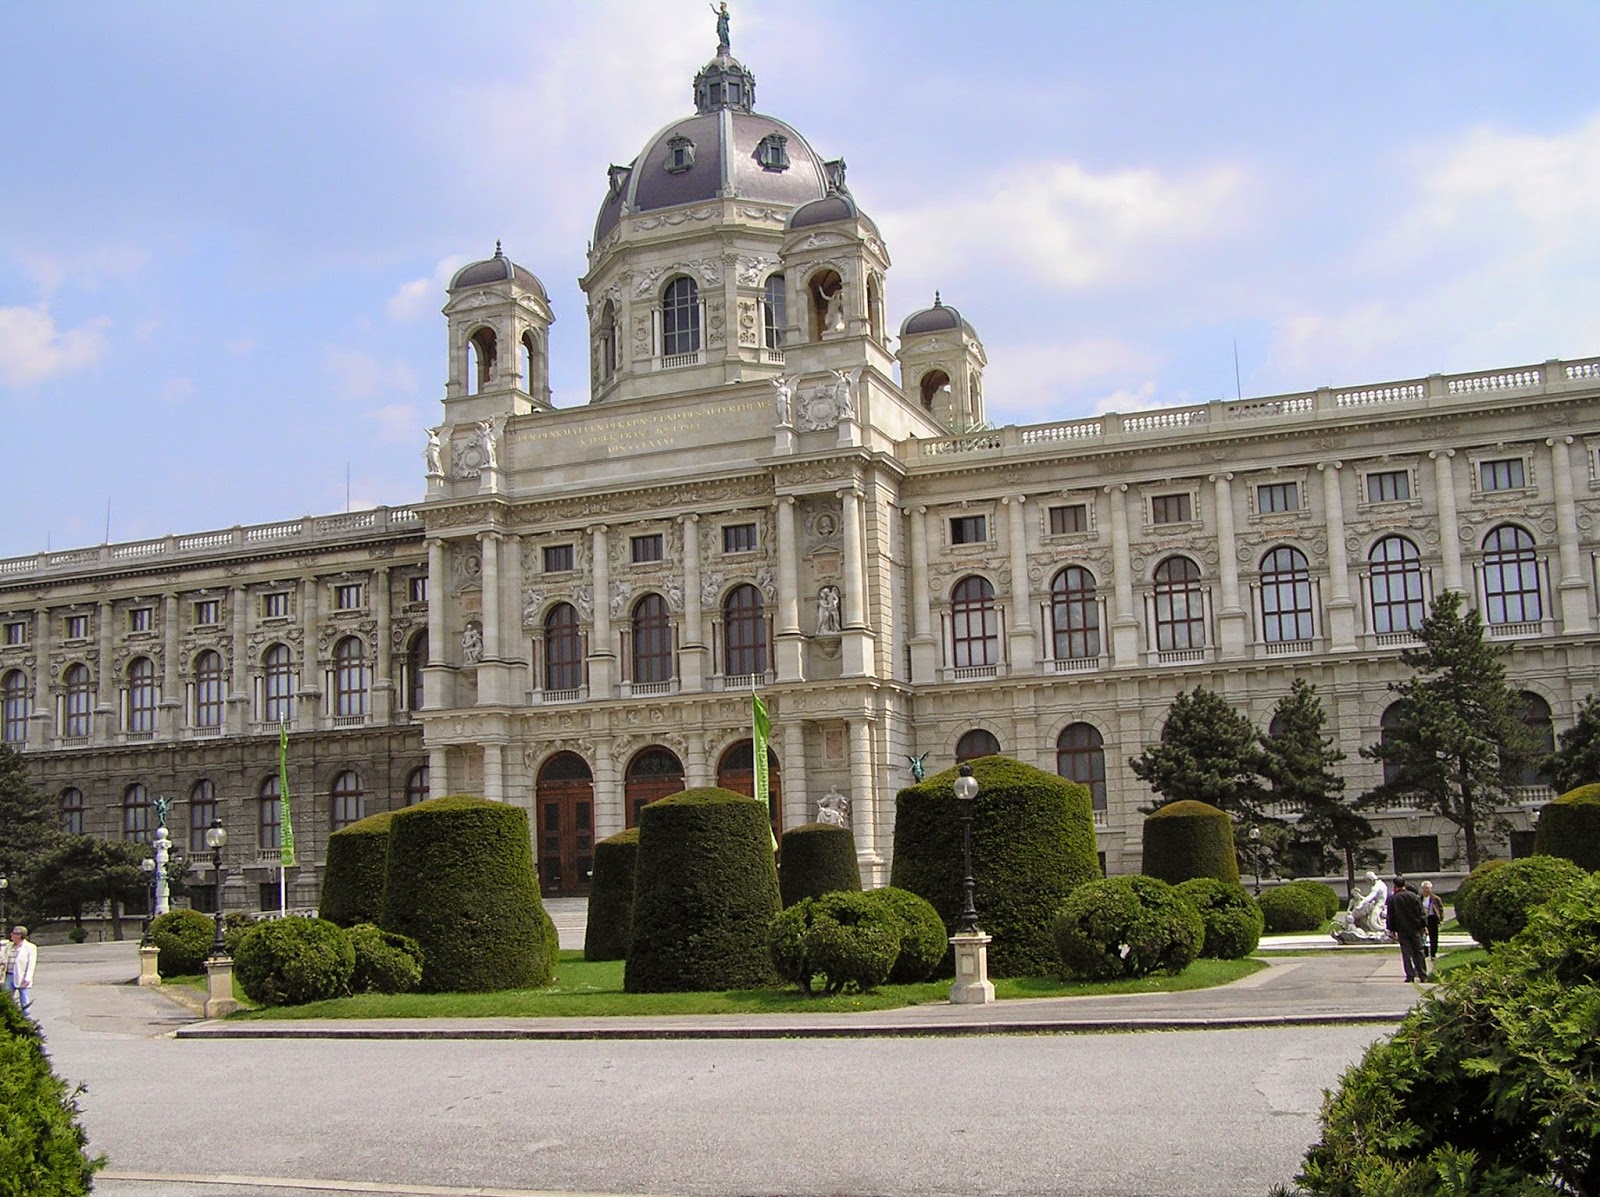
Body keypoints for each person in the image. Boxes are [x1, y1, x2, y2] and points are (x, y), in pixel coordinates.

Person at [1385, 879, 1429, 983]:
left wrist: (1392, 929)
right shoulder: (1414, 896)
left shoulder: (1393, 899)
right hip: (1415, 927)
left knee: (1406, 953)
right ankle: (1422, 974)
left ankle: (1410, 975)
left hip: (1402, 929)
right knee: (1419, 951)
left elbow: (1390, 916)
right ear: (1405, 884)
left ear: (1395, 886)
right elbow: (1421, 912)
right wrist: (1424, 925)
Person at [6, 925, 36, 1014]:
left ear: (19, 935)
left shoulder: (30, 947)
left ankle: (26, 1018)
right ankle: (12, 1016)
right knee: (7, 998)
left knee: (24, 999)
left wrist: (28, 978)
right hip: (9, 975)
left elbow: (31, 964)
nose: (11, 934)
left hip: (22, 976)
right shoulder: (9, 945)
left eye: (14, 933)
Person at [1420, 879, 1444, 960]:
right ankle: (1425, 953)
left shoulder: (1436, 898)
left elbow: (1440, 909)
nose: (1427, 890)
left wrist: (1441, 919)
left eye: (1428, 888)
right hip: (1424, 919)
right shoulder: (1419, 899)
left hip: (1433, 919)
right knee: (1423, 938)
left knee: (1434, 937)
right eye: (1425, 888)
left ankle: (1433, 953)